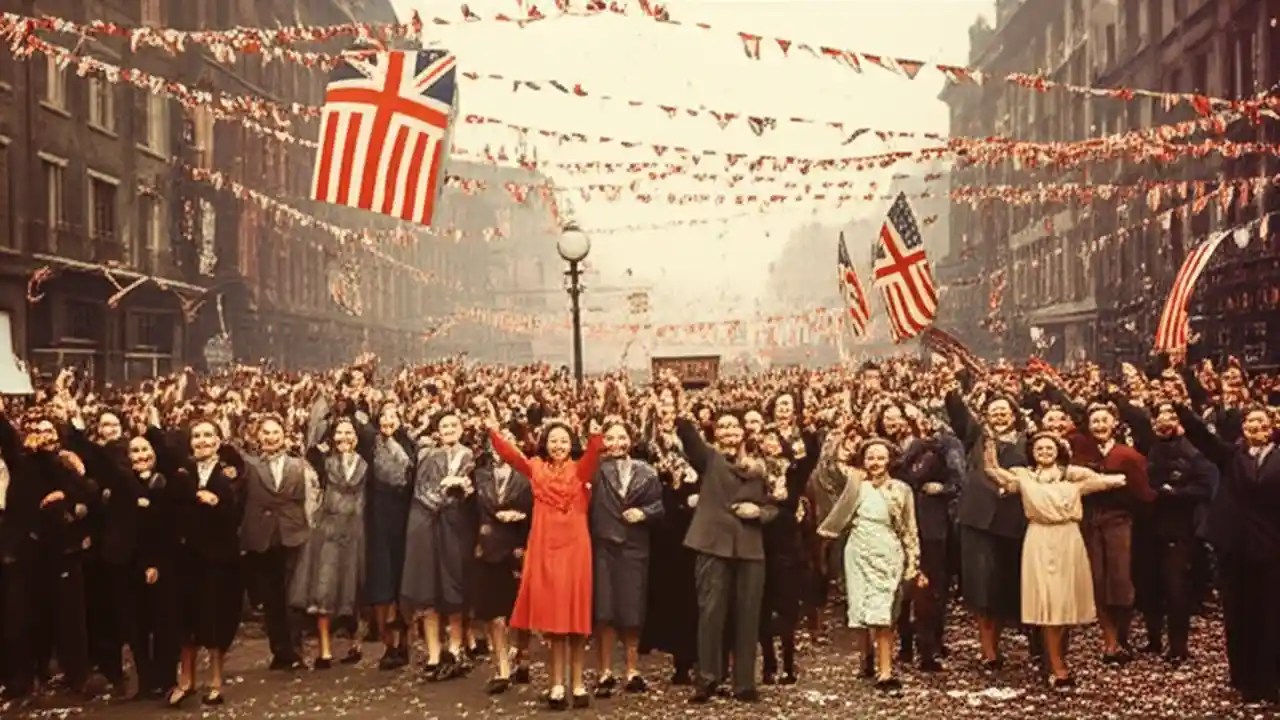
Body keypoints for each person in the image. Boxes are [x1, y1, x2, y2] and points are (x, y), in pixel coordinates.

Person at [983, 431, 1126, 687]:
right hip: (1040, 538)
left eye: (1050, 448)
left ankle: (1058, 659)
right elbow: (996, 473)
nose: (1045, 452)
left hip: (1068, 538)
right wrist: (990, 450)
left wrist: (1116, 475)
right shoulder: (1025, 477)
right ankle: (1057, 667)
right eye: (1040, 448)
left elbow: (1107, 481)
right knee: (1049, 602)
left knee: (1065, 602)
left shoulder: (1072, 477)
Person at [486, 414, 602, 710]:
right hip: (546, 551)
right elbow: (512, 456)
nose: (559, 445)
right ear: (545, 444)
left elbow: (592, 457)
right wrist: (493, 430)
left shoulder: (580, 471)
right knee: (555, 626)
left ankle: (577, 684)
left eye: (564, 440)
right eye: (553, 440)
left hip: (576, 551)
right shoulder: (535, 469)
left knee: (576, 624)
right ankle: (556, 685)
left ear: (571, 443)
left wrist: (596, 437)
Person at [677, 408, 777, 704]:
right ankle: (707, 678)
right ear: (716, 433)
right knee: (710, 612)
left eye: (735, 426)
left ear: (744, 432)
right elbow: (688, 435)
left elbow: (777, 506)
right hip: (712, 544)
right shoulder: (709, 459)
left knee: (748, 615)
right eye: (723, 427)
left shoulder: (762, 467)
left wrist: (758, 512)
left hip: (749, 546)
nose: (730, 431)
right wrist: (679, 406)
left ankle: (744, 682)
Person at [818, 437, 923, 691]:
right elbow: (827, 469)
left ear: (889, 459)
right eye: (870, 457)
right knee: (861, 608)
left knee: (884, 612)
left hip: (888, 550)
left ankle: (885, 671)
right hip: (858, 550)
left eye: (880, 457)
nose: (875, 462)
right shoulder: (854, 486)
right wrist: (837, 437)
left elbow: (910, 527)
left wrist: (914, 562)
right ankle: (865, 659)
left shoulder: (901, 489)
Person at [590, 419, 663, 697]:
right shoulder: (595, 471)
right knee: (604, 610)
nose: (617, 442)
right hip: (604, 546)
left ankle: (632, 670)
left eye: (622, 437)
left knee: (632, 610)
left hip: (634, 547)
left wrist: (643, 513)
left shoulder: (647, 472)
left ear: (631, 440)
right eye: (611, 437)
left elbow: (659, 505)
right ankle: (605, 671)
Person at [291, 417, 367, 668]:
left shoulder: (366, 465)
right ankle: (324, 649)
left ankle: (355, 644)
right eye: (340, 433)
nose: (344, 437)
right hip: (329, 530)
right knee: (324, 588)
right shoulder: (324, 463)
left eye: (349, 433)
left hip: (356, 530)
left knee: (353, 585)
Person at [470, 426, 534, 694]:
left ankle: (522, 656)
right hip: (488, 548)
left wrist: (523, 525)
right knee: (494, 613)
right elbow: (470, 512)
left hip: (517, 548)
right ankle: (502, 668)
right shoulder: (479, 476)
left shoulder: (527, 476)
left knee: (520, 614)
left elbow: (537, 512)